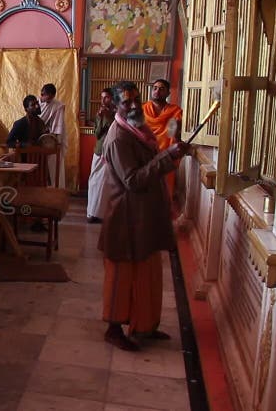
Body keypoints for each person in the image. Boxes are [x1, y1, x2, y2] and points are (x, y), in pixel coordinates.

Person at [99, 81, 190, 351]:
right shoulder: (118, 137)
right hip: (126, 217)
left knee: (148, 273)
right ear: (116, 105)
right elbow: (132, 180)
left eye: (137, 100)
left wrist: (168, 154)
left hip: (144, 214)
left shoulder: (138, 130)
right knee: (122, 277)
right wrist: (166, 158)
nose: (135, 106)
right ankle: (113, 329)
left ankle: (144, 324)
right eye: (126, 102)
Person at [142, 79, 183, 200]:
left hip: (166, 156)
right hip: (146, 155)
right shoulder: (142, 110)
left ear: (168, 93)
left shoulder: (174, 111)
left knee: (164, 192)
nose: (157, 91)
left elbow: (172, 134)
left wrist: (176, 128)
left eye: (161, 89)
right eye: (154, 88)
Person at [87, 88, 115, 223]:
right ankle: (91, 212)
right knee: (94, 181)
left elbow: (115, 129)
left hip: (111, 151)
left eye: (107, 97)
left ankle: (102, 214)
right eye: (102, 97)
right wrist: (101, 117)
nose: (104, 100)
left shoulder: (117, 113)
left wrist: (108, 116)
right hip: (99, 150)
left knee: (105, 183)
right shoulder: (100, 113)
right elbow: (97, 134)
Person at [39, 83, 66, 188]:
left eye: (51, 99)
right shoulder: (35, 103)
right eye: (47, 98)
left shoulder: (58, 106)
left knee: (54, 162)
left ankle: (57, 188)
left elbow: (57, 126)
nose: (48, 101)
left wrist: (55, 140)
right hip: (37, 137)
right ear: (42, 93)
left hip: (52, 138)